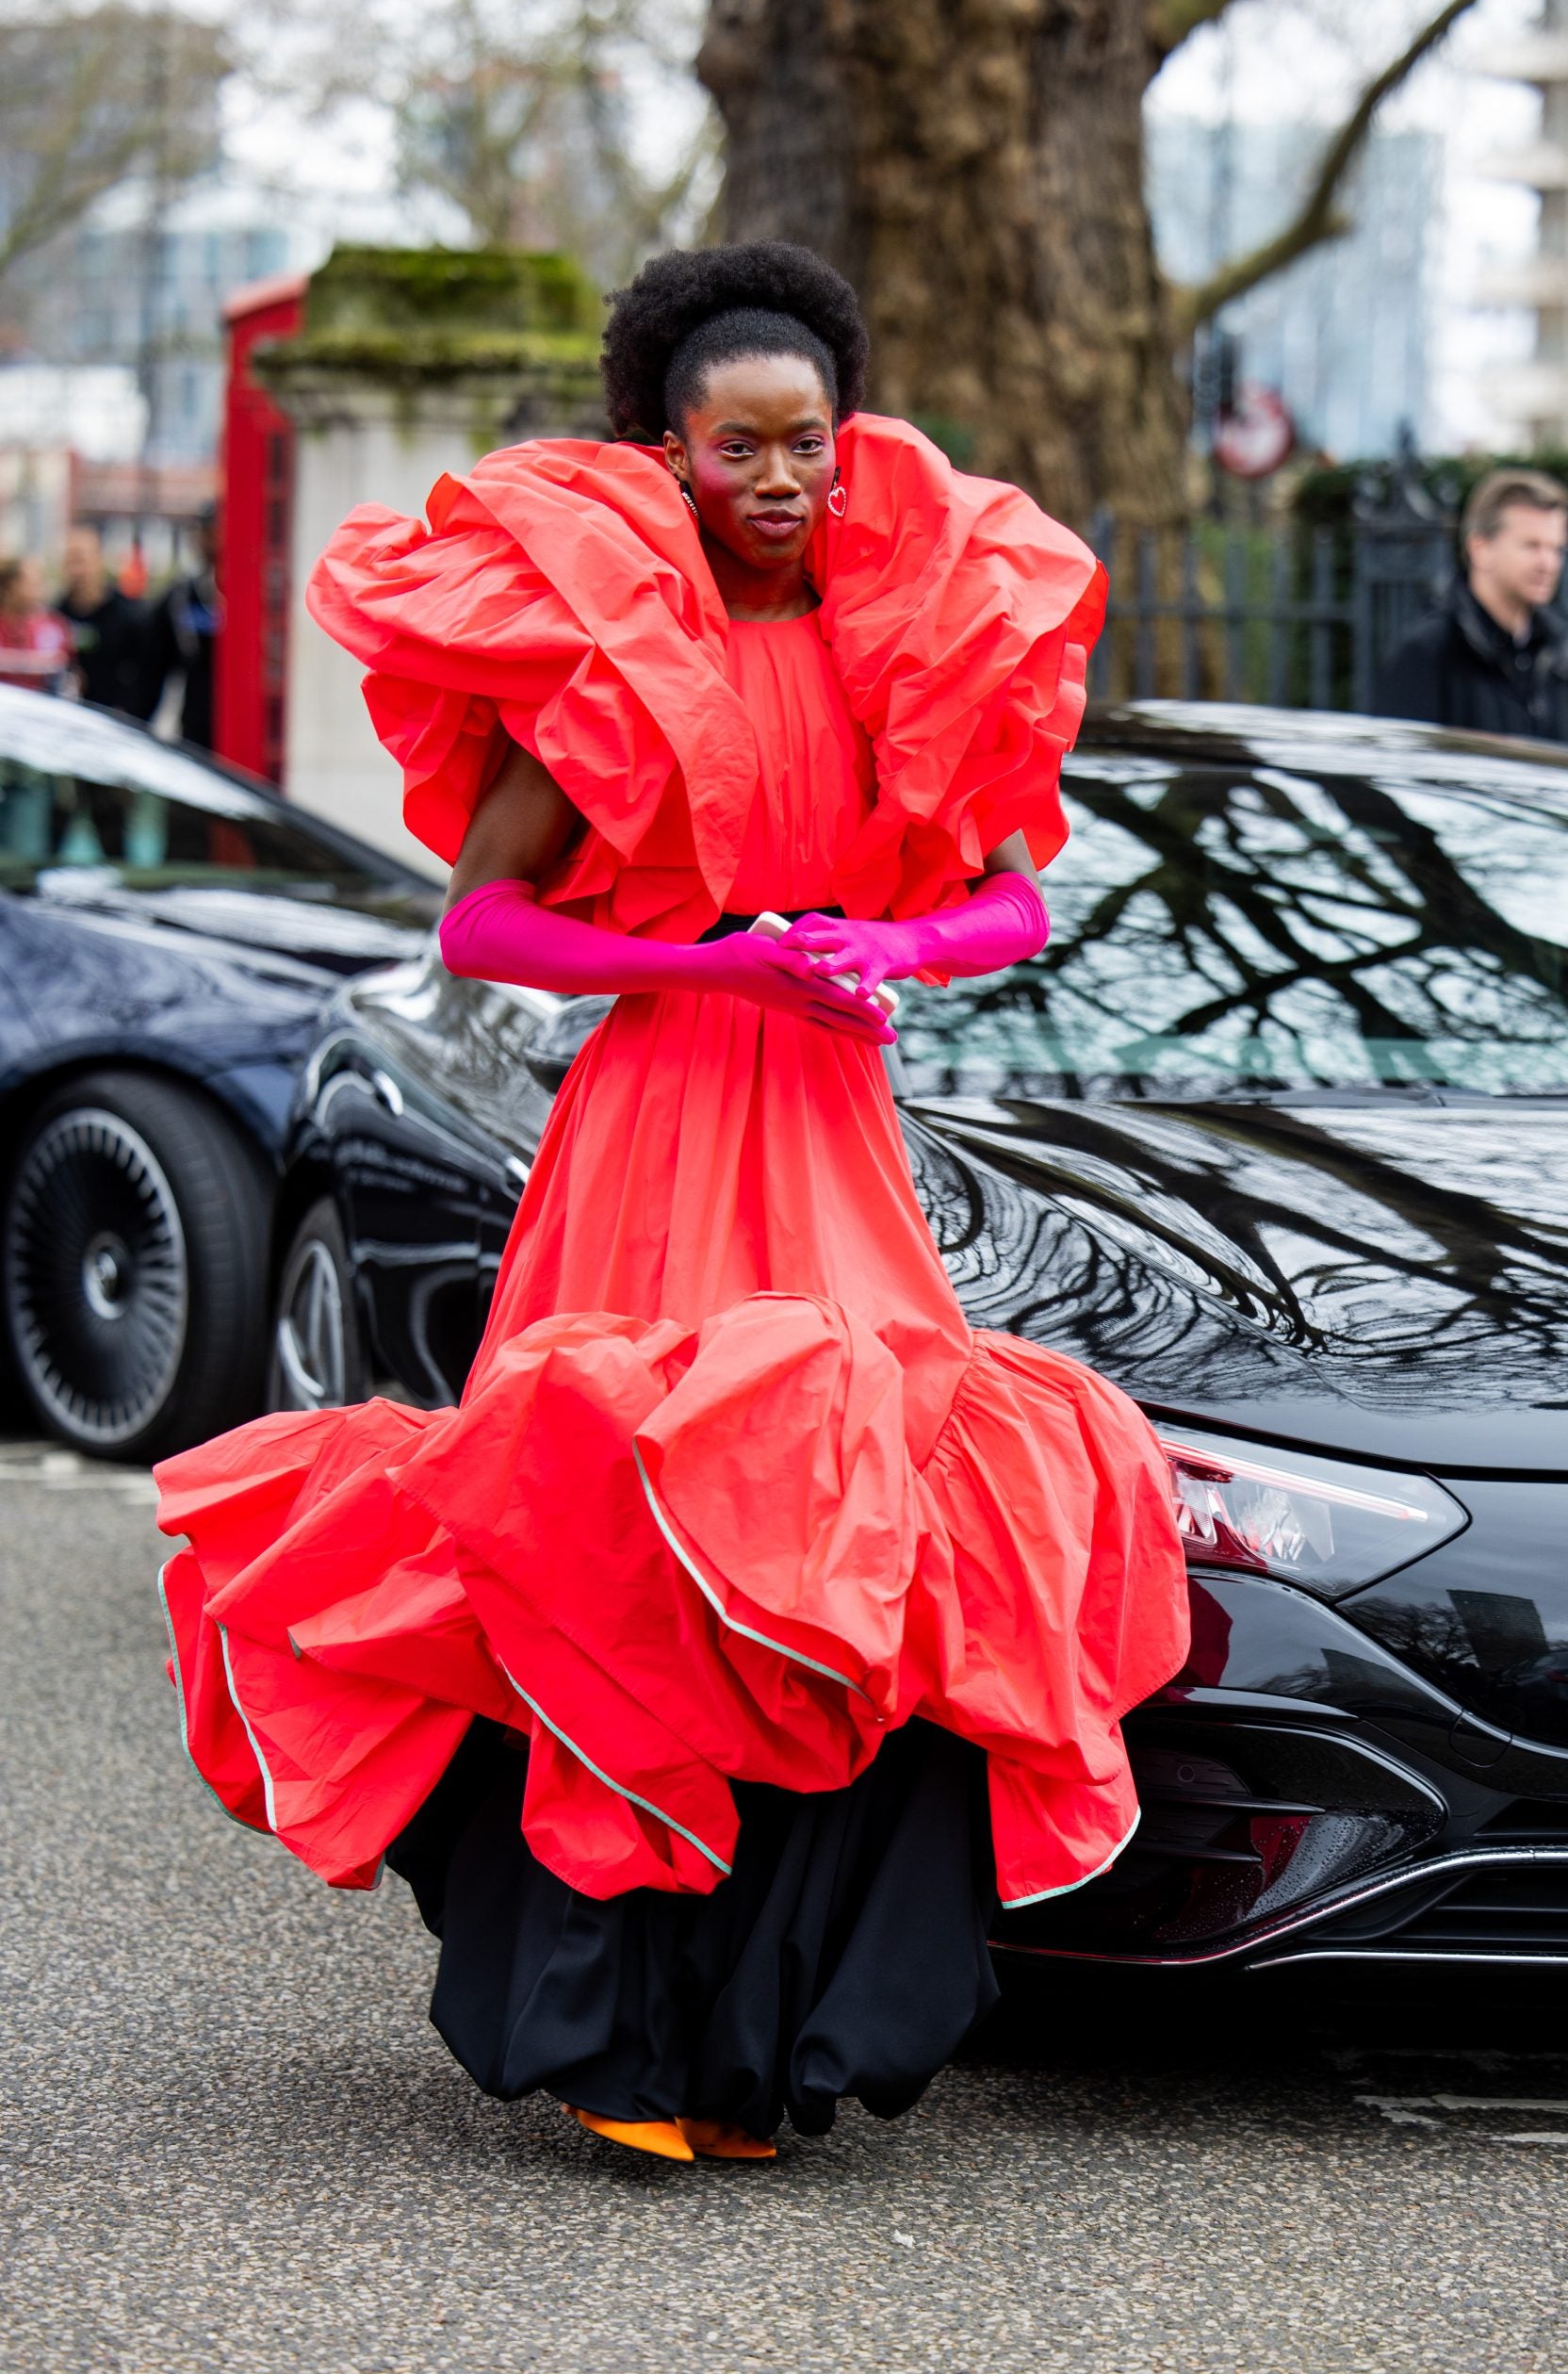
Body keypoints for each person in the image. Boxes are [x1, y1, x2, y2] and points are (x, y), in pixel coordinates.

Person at [153, 242, 1189, 2165]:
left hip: (830, 1127)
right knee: (629, 1532)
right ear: (671, 453)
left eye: (809, 439)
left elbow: (1016, 896)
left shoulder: (911, 649)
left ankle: (773, 2042)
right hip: (658, 1119)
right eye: (740, 447)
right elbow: (478, 917)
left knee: (854, 1546)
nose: (783, 475)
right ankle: (614, 2038)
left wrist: (882, 941)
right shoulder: (616, 673)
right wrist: (721, 964)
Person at [1375, 467, 1568, 743]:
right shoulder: (1427, 653)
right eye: (1531, 546)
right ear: (1480, 549)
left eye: (1556, 549)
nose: (1548, 564)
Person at [138, 503, 220, 748]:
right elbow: (153, 671)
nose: (202, 542)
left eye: (211, 533)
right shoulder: (180, 597)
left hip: (242, 725)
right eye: (199, 534)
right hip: (196, 729)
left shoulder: (255, 596)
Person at [56, 522, 146, 713]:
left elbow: (146, 674)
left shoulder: (128, 615)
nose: (76, 570)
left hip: (114, 722)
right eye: (70, 560)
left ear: (99, 559)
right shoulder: (56, 616)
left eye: (81, 560)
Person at [0, 557, 72, 694]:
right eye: (32, 584)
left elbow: (62, 665)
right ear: (10, 586)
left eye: (40, 583)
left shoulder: (53, 626)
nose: (39, 590)